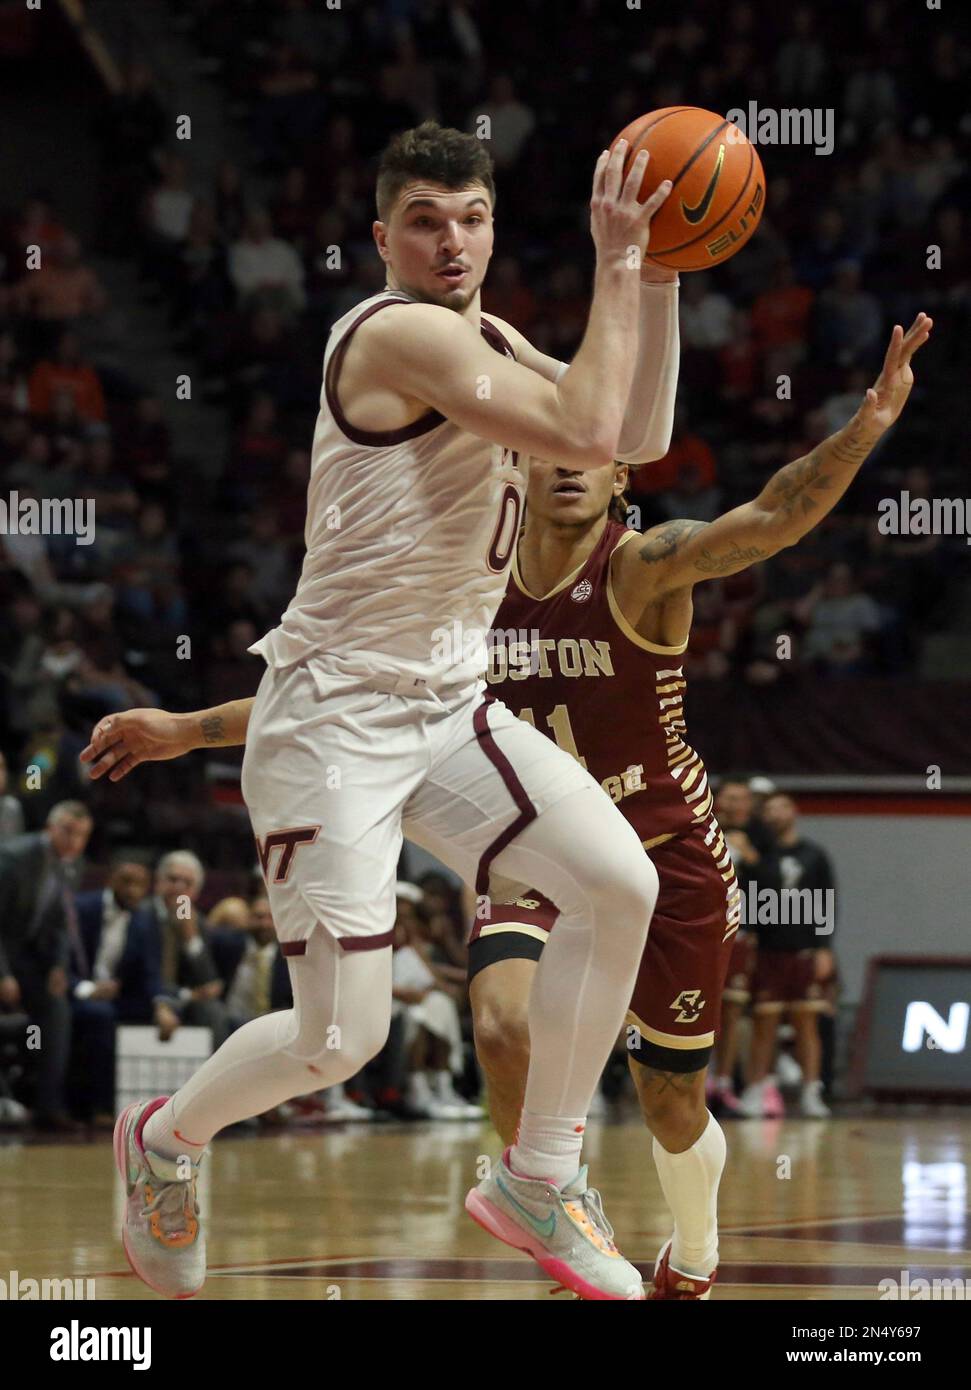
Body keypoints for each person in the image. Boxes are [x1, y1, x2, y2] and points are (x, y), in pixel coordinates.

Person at [86, 312, 931, 1298]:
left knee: (667, 1098)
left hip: (664, 844)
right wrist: (189, 728)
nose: (574, 468)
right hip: (520, 829)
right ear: (521, 462)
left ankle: (692, 1252)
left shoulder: (638, 566)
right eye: (557, 454)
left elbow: (768, 520)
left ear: (620, 478)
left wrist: (866, 422)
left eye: (601, 459)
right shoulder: (469, 586)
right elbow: (349, 687)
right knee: (495, 1025)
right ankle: (543, 1189)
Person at [84, 121, 680, 1301]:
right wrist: (617, 267)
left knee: (621, 886)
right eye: (423, 218)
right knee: (338, 1040)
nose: (450, 239)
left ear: (495, 226)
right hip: (331, 725)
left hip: (448, 706)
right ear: (380, 238)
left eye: (469, 217)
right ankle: (163, 1138)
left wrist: (656, 278)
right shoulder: (391, 331)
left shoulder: (498, 338)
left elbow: (639, 438)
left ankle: (537, 1175)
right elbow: (585, 431)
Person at [736, 792, 838, 1119]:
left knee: (807, 1022)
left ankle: (812, 1091)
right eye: (768, 809)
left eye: (780, 807)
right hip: (769, 950)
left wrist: (824, 947)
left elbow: (827, 900)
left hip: (804, 949)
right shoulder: (759, 858)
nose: (775, 813)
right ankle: (756, 1087)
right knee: (764, 1023)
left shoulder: (814, 855)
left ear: (793, 811)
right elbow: (748, 901)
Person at [0, 800, 93, 1130]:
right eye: (67, 831)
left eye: (81, 835)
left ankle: (48, 1107)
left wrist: (57, 966)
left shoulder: (73, 864)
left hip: (29, 957)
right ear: (50, 828)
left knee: (56, 1009)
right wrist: (4, 974)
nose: (73, 840)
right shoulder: (13, 857)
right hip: (4, 953)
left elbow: (59, 922)